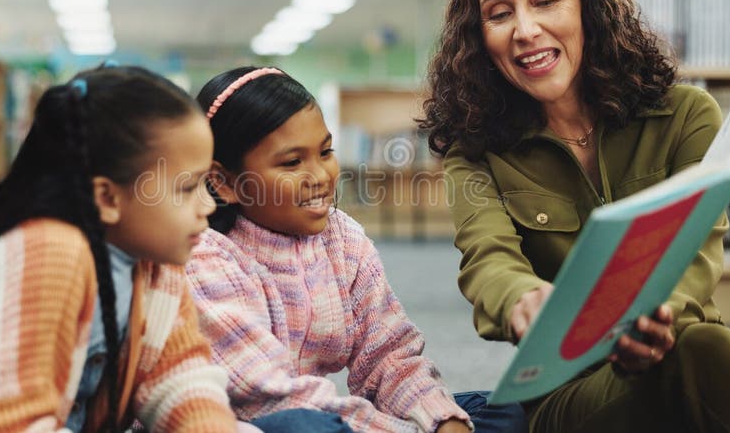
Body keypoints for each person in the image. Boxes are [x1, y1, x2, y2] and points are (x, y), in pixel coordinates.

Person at [420, 0, 730, 432]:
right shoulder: (474, 151)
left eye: (545, 1)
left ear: (587, 7)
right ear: (480, 37)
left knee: (700, 347)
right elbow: (487, 258)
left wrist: (654, 321)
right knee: (700, 348)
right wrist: (522, 300)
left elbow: (698, 256)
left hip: (692, 351)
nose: (525, 29)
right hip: (574, 396)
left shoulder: (686, 114)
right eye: (499, 13)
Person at [0, 66, 240, 432]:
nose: (208, 205)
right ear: (107, 197)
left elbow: (180, 377)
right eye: (187, 188)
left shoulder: (157, 265)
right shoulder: (52, 253)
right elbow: (2, 423)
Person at [185, 66, 529, 433]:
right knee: (304, 426)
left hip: (326, 416)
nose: (321, 176)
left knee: (502, 410)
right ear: (224, 182)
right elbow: (268, 395)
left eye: (326, 152)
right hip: (251, 422)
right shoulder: (203, 258)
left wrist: (443, 421)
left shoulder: (342, 239)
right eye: (292, 162)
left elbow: (389, 358)